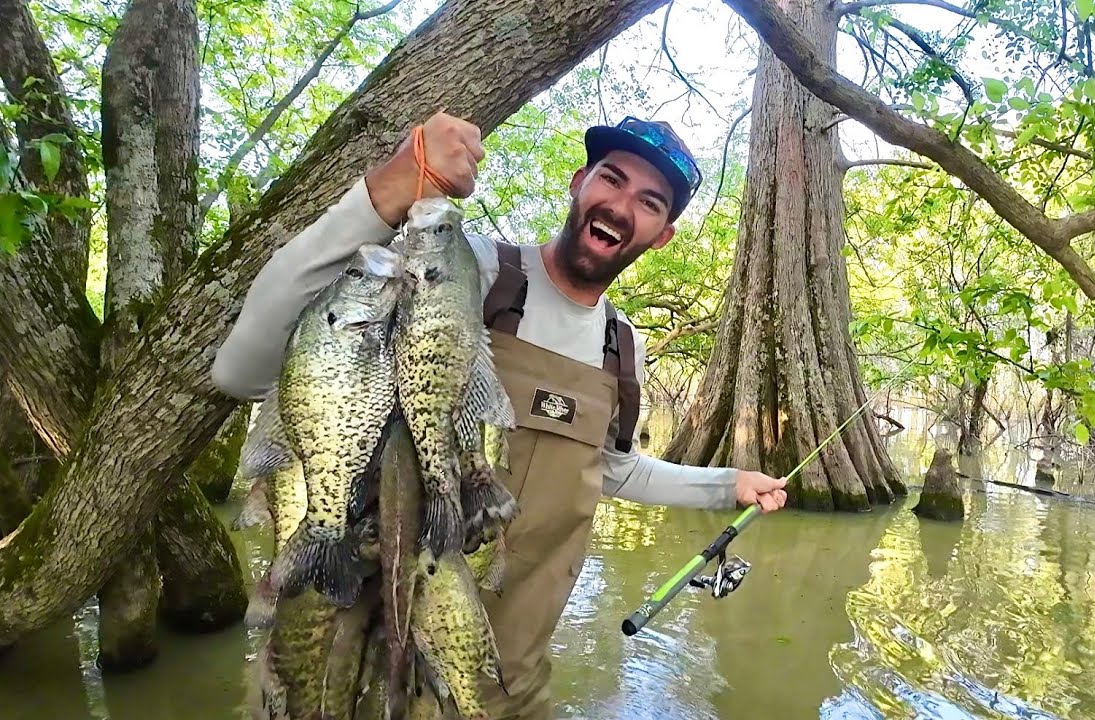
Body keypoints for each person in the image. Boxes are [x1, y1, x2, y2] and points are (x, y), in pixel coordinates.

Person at [211, 111, 788, 719]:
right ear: (577, 182)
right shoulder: (468, 270)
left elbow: (612, 470)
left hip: (509, 684)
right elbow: (243, 370)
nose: (621, 206)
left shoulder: (622, 345)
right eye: (611, 179)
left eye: (649, 201)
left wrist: (728, 485)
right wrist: (388, 190)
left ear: (662, 234)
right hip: (367, 682)